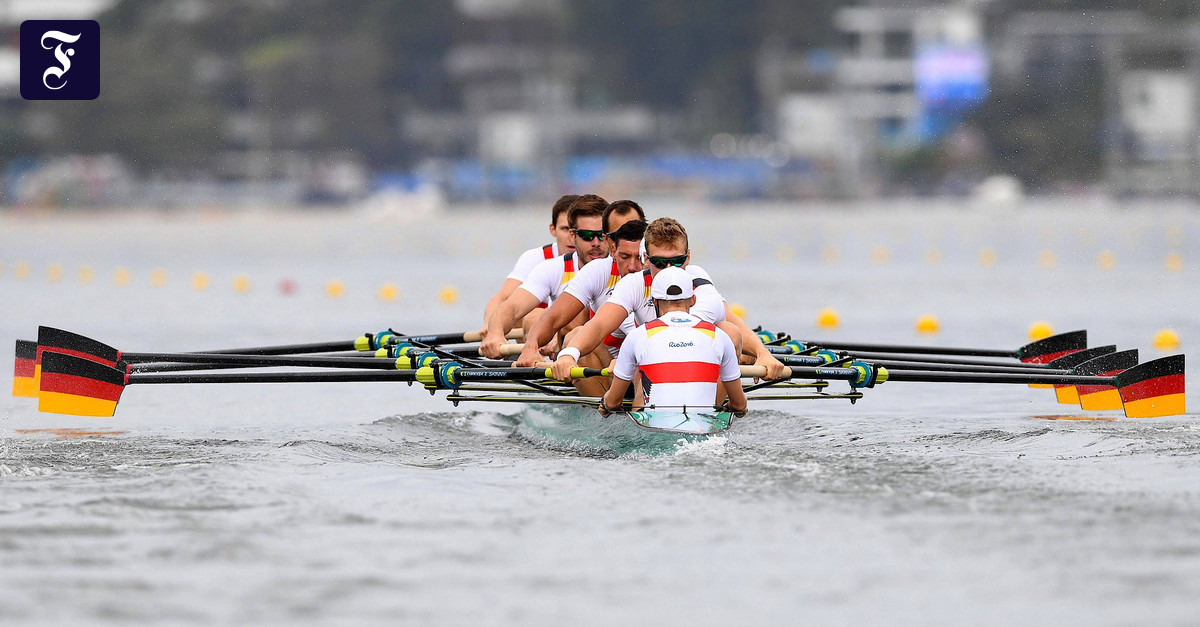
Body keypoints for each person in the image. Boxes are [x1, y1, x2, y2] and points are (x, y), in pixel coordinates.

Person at [552, 217, 787, 385]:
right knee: (576, 338)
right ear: (646, 259)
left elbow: (730, 323)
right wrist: (568, 355)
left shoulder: (699, 282)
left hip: (693, 369)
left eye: (676, 261)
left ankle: (712, 414)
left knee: (730, 333)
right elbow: (598, 326)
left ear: (688, 258)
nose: (668, 270)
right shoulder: (633, 283)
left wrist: (762, 353)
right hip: (645, 372)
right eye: (659, 262)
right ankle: (606, 417)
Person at [513, 200, 646, 372]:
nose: (633, 266)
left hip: (648, 363)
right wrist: (531, 347)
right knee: (570, 331)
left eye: (634, 229)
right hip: (608, 369)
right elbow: (555, 318)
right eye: (619, 235)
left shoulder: (665, 275)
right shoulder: (598, 270)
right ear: (612, 245)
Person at [600, 267, 748, 417]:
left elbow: (613, 403)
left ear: (655, 302)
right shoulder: (719, 336)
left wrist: (606, 403)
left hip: (655, 428)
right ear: (693, 300)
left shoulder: (637, 336)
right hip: (703, 429)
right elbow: (740, 406)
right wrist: (730, 407)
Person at [479, 195, 609, 358]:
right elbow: (510, 306)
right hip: (573, 351)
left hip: (611, 355)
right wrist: (494, 332)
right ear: (573, 235)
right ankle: (536, 357)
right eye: (587, 235)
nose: (596, 242)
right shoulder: (549, 266)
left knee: (575, 329)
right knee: (533, 317)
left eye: (602, 235)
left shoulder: (628, 266)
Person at [481, 194, 578, 329]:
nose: (572, 237)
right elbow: (501, 298)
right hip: (539, 329)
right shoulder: (535, 258)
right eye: (565, 229)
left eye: (577, 231)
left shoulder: (600, 260)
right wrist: (490, 327)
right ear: (553, 229)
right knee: (525, 315)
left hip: (577, 330)